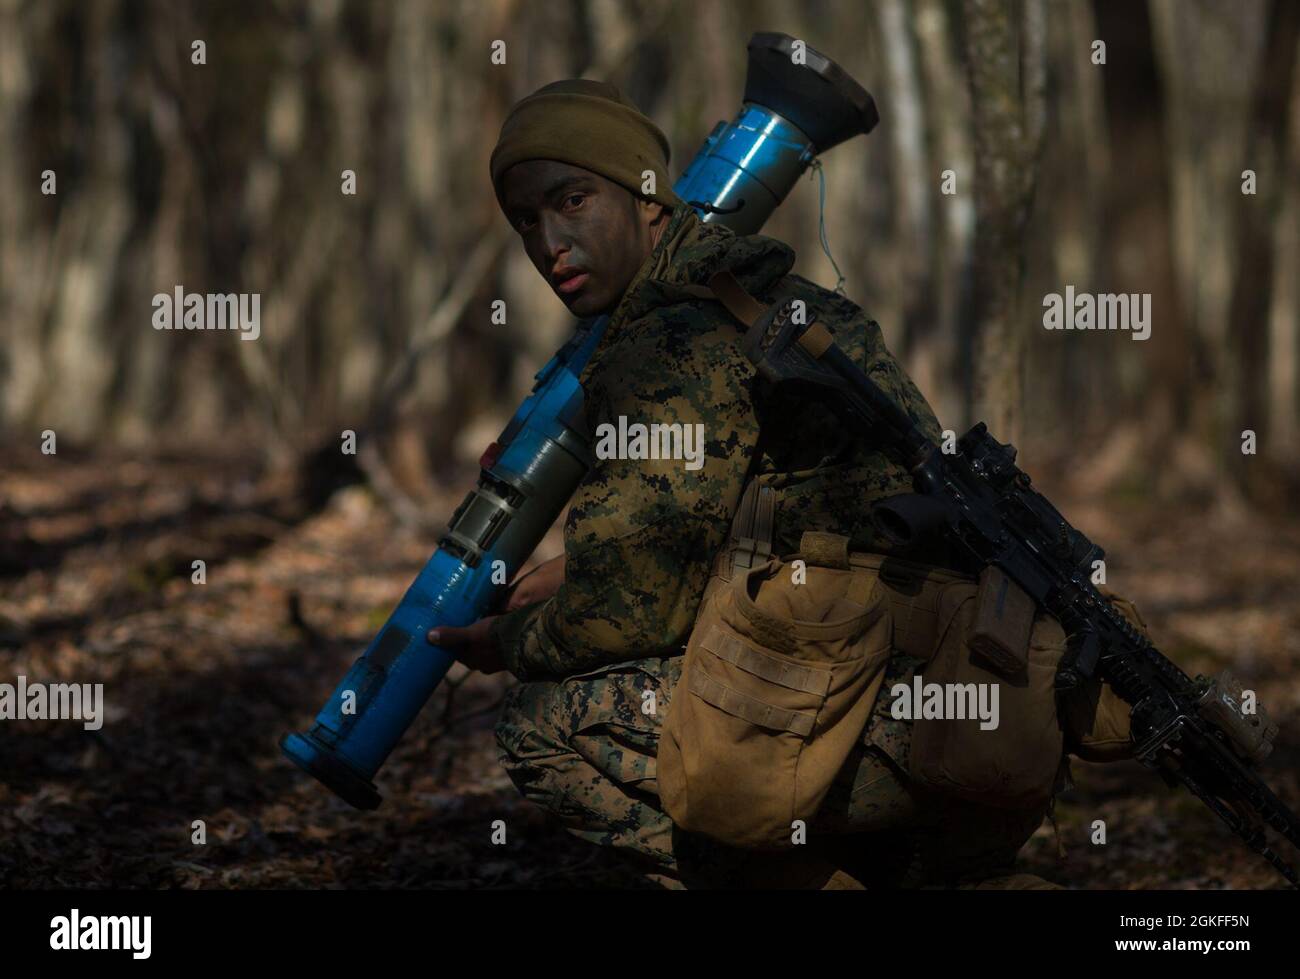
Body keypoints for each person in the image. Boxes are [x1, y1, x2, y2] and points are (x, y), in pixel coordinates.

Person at [429, 79, 1058, 888]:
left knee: (539, 725)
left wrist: (508, 644)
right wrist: (565, 575)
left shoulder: (673, 340)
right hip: (979, 724)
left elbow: (630, 612)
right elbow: (735, 523)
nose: (550, 240)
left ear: (650, 198)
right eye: (526, 221)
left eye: (573, 199)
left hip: (904, 747)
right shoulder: (768, 299)